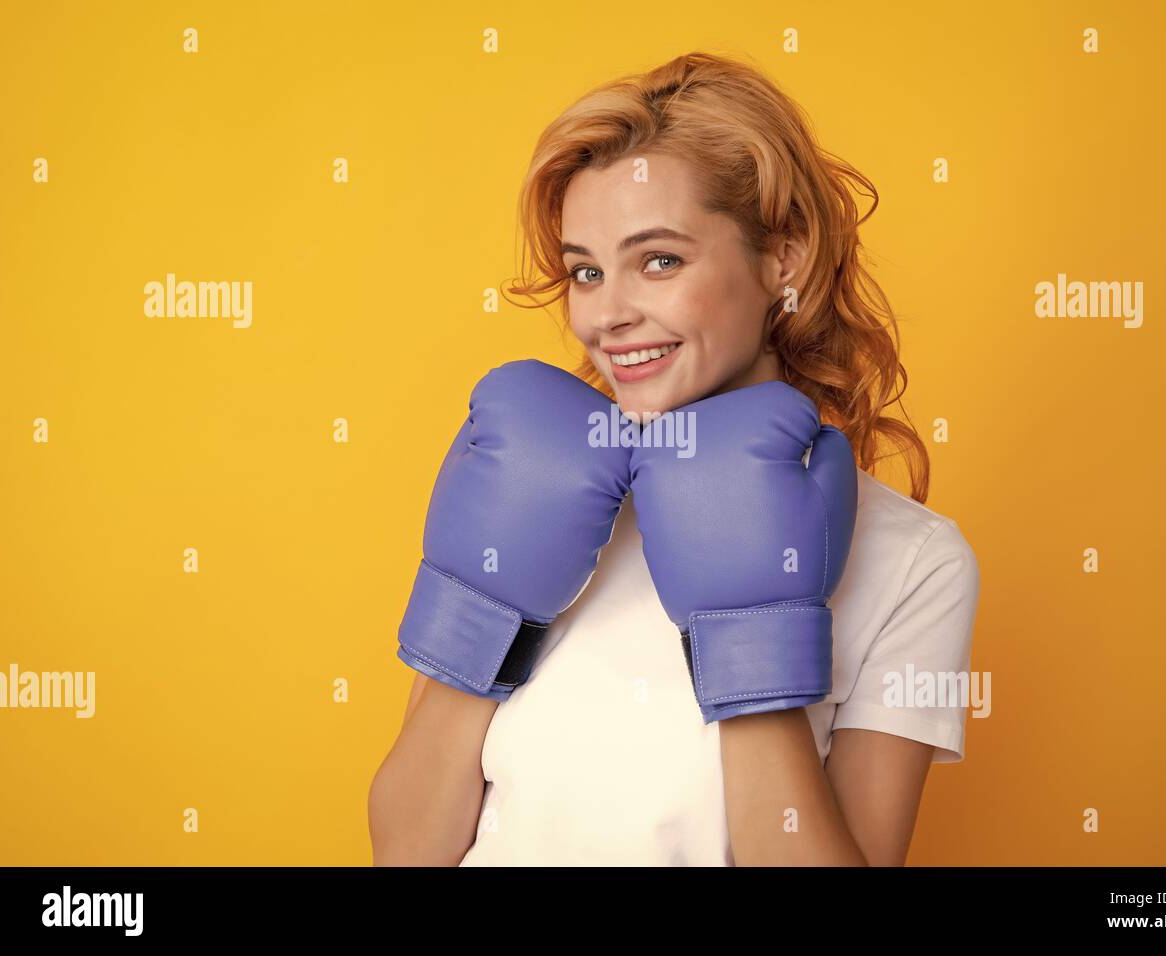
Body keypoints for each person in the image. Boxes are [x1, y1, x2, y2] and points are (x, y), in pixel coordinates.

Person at [368, 51, 980, 867]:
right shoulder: (530, 490)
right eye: (586, 270)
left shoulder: (915, 563)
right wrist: (483, 609)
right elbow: (405, 855)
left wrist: (752, 630)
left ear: (783, 260)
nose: (607, 315)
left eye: (659, 260)